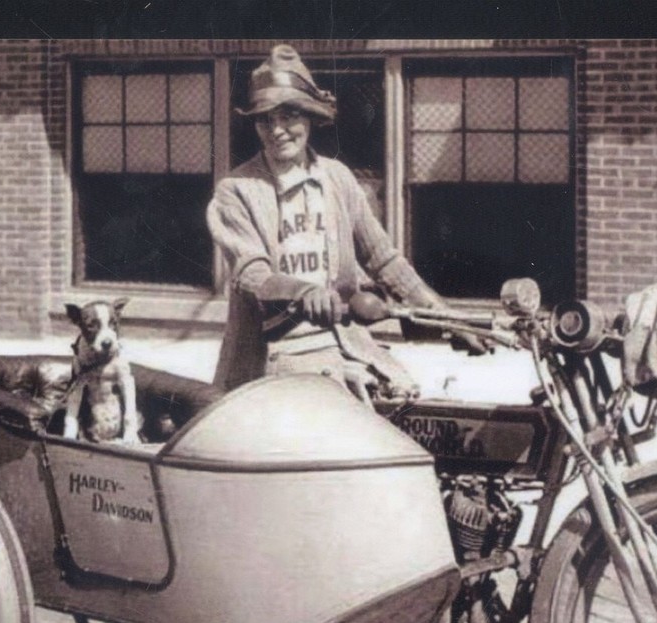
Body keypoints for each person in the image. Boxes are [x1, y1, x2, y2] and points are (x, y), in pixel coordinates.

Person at [208, 44, 489, 395]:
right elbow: (253, 275)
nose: (277, 129)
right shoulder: (235, 190)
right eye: (265, 118)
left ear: (309, 116)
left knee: (408, 402)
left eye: (289, 115)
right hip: (275, 355)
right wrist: (303, 291)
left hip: (347, 342)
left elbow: (384, 259)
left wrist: (446, 317)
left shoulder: (337, 178)